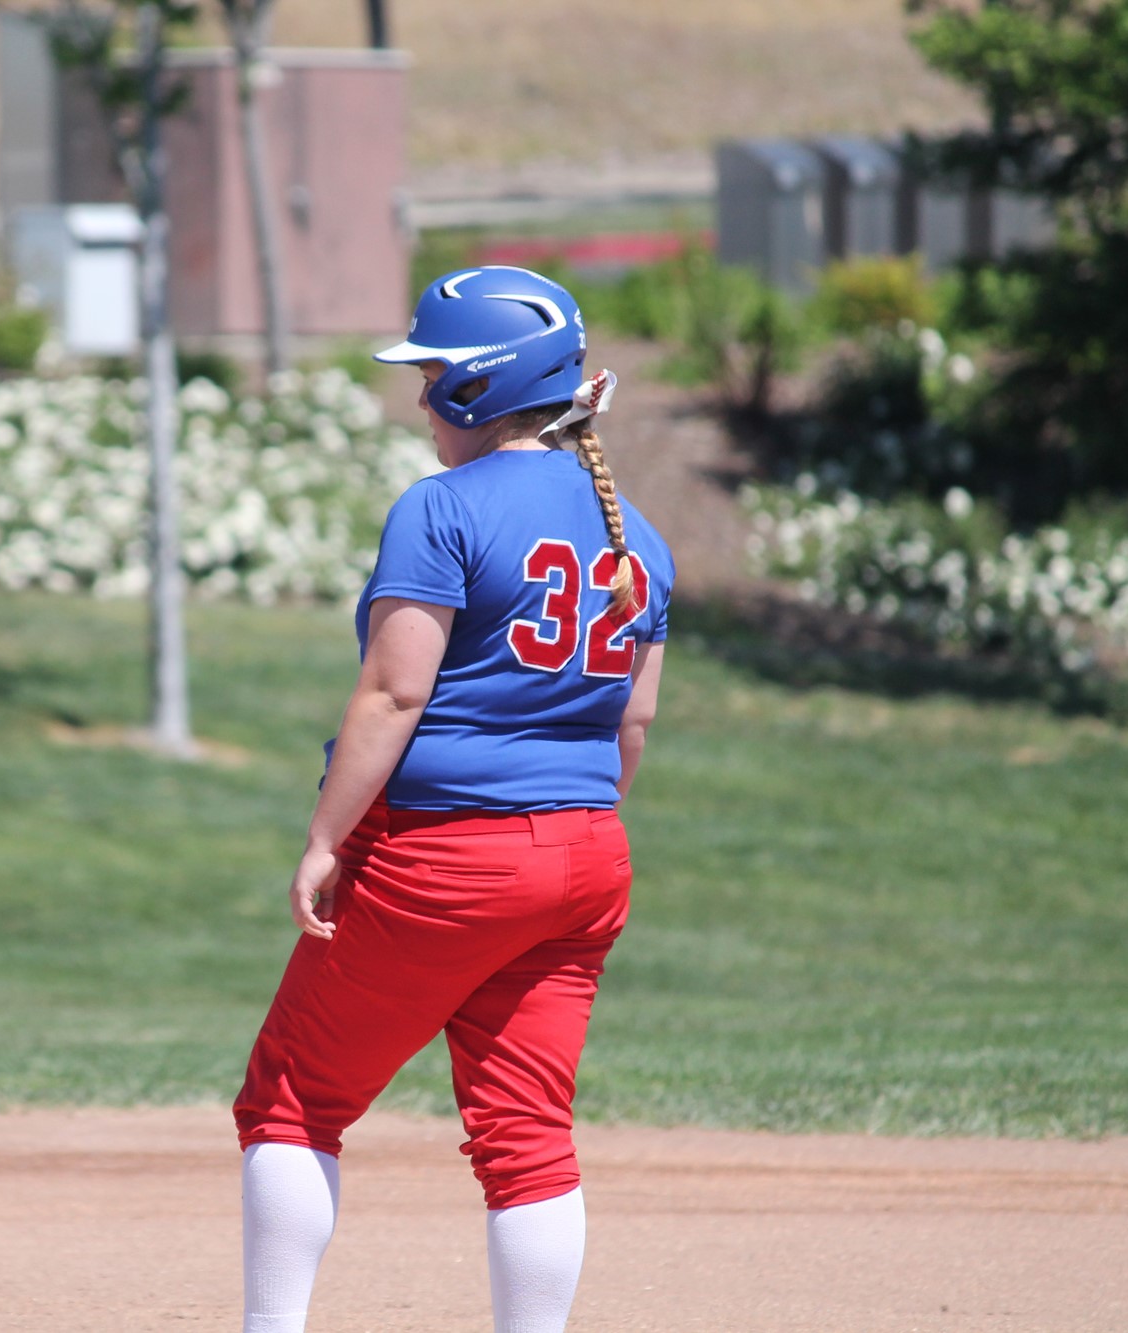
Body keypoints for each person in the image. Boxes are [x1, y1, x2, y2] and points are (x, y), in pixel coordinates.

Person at [232, 266, 674, 1333]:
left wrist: (324, 836)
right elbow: (631, 728)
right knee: (525, 1135)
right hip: (586, 857)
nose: (420, 398)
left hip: (445, 853)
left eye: (432, 376)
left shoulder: (440, 507)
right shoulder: (636, 541)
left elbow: (393, 690)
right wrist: (556, 825)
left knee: (290, 1101)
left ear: (481, 390)